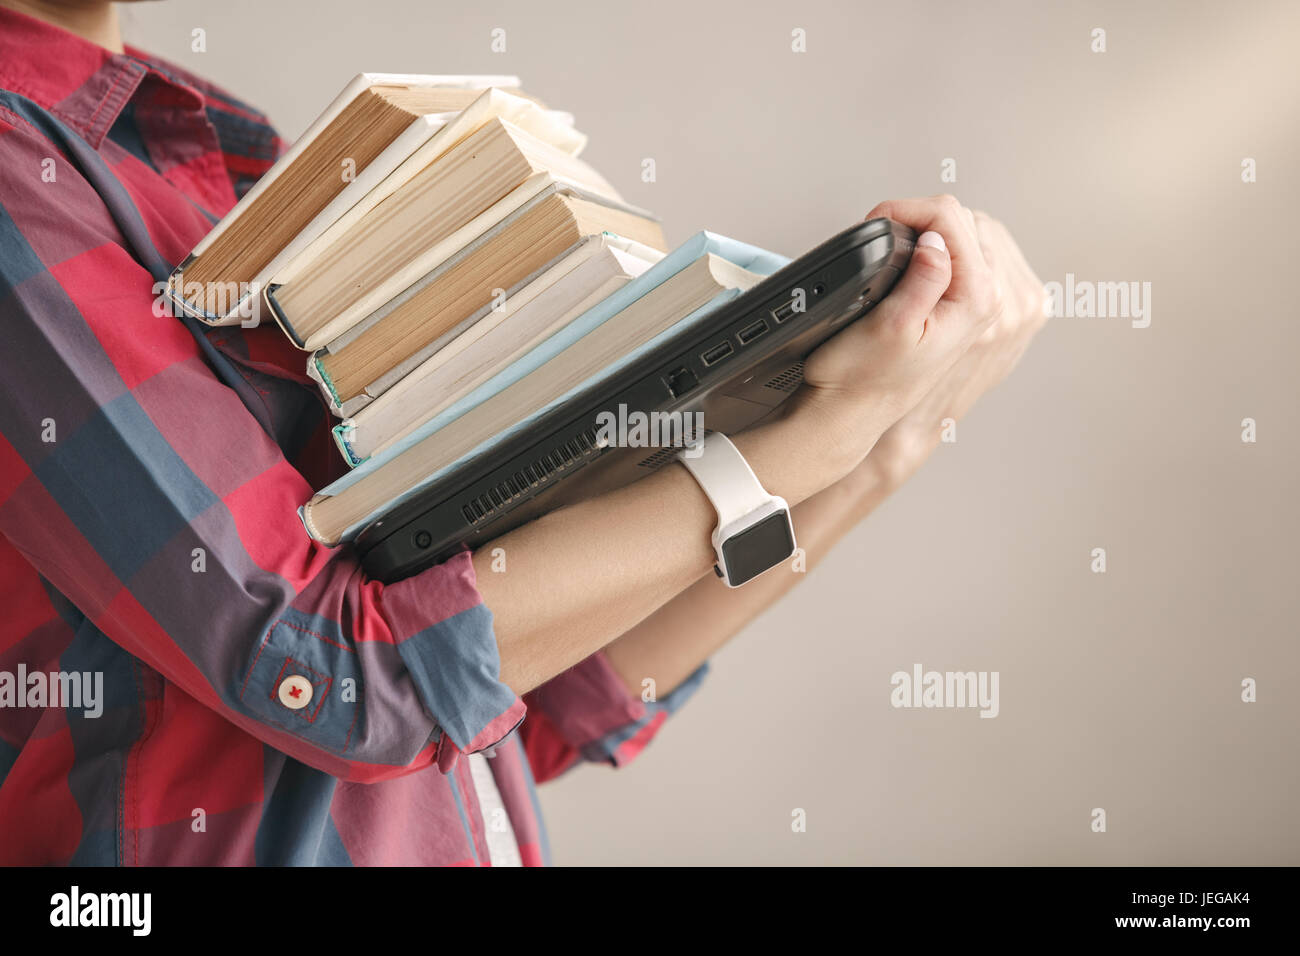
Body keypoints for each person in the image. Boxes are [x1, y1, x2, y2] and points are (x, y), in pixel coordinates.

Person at [0, 0, 1046, 865]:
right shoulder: (17, 170)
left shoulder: (209, 159)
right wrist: (805, 446)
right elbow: (341, 676)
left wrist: (879, 444)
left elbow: (512, 699)